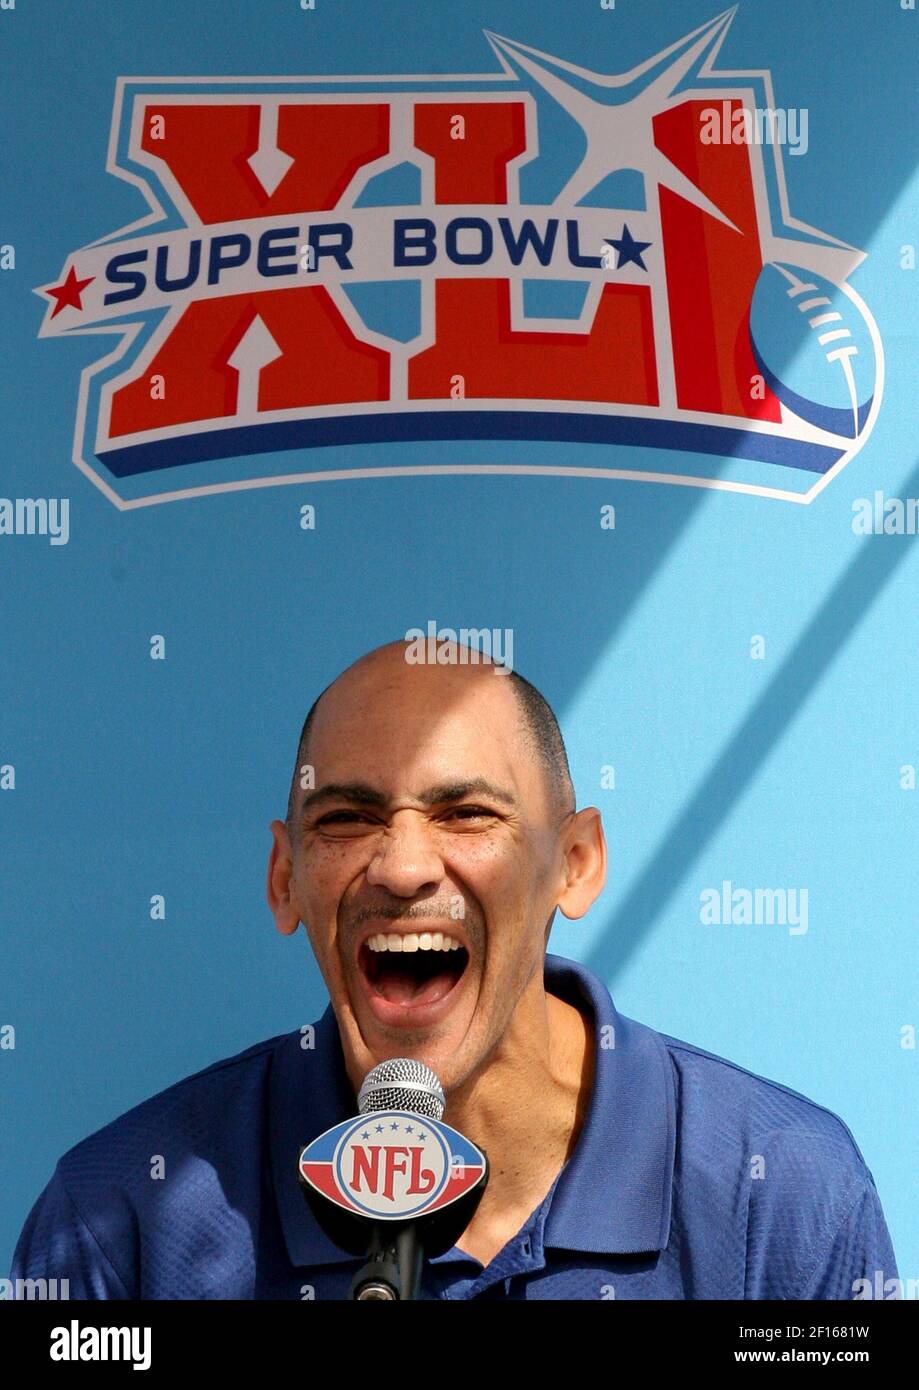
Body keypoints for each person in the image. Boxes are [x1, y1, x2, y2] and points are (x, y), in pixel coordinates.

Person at [10, 640, 899, 1298]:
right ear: (285, 882)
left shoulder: (781, 1189)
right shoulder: (121, 1215)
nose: (401, 868)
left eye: (467, 813)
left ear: (576, 864)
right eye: (346, 820)